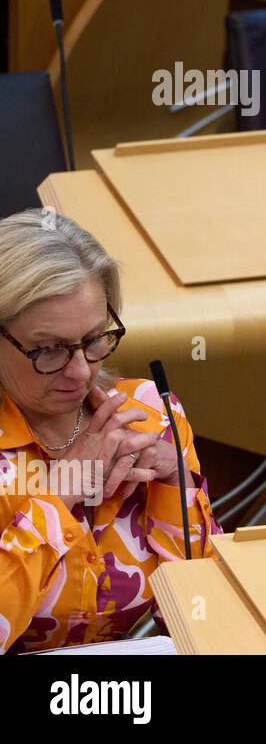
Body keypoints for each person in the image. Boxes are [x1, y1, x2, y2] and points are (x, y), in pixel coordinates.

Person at [0, 210, 219, 652]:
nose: (81, 372)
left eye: (94, 339)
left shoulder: (149, 414)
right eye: (48, 350)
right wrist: (57, 498)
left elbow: (206, 614)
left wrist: (176, 481)